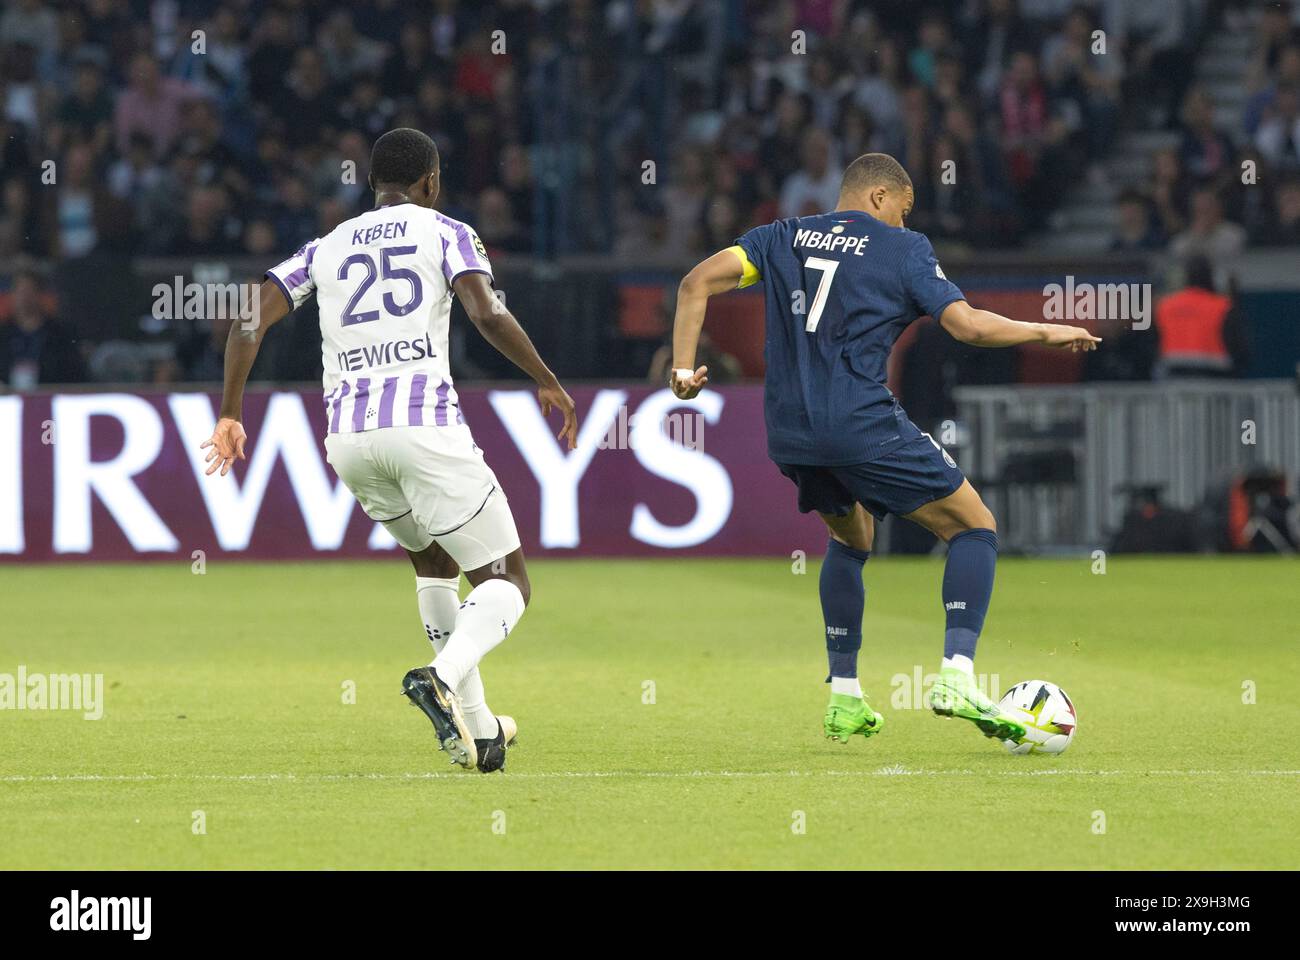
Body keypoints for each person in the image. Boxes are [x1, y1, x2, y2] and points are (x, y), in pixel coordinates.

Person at [668, 152, 1098, 747]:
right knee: (975, 528)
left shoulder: (779, 237)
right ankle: (956, 676)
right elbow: (967, 326)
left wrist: (684, 369)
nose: (903, 220)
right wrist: (1046, 331)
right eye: (903, 207)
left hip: (790, 432)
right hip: (859, 421)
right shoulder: (904, 248)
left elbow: (695, 283)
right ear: (878, 197)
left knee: (851, 539)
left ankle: (844, 695)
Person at [200, 128, 578, 773]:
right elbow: (486, 314)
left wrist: (231, 411)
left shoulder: (326, 245)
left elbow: (245, 319)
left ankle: (480, 731)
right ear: (430, 183)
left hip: (348, 440)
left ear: (374, 186)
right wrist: (546, 378)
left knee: (432, 562)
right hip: (423, 429)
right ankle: (440, 677)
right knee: (506, 582)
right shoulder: (446, 230)